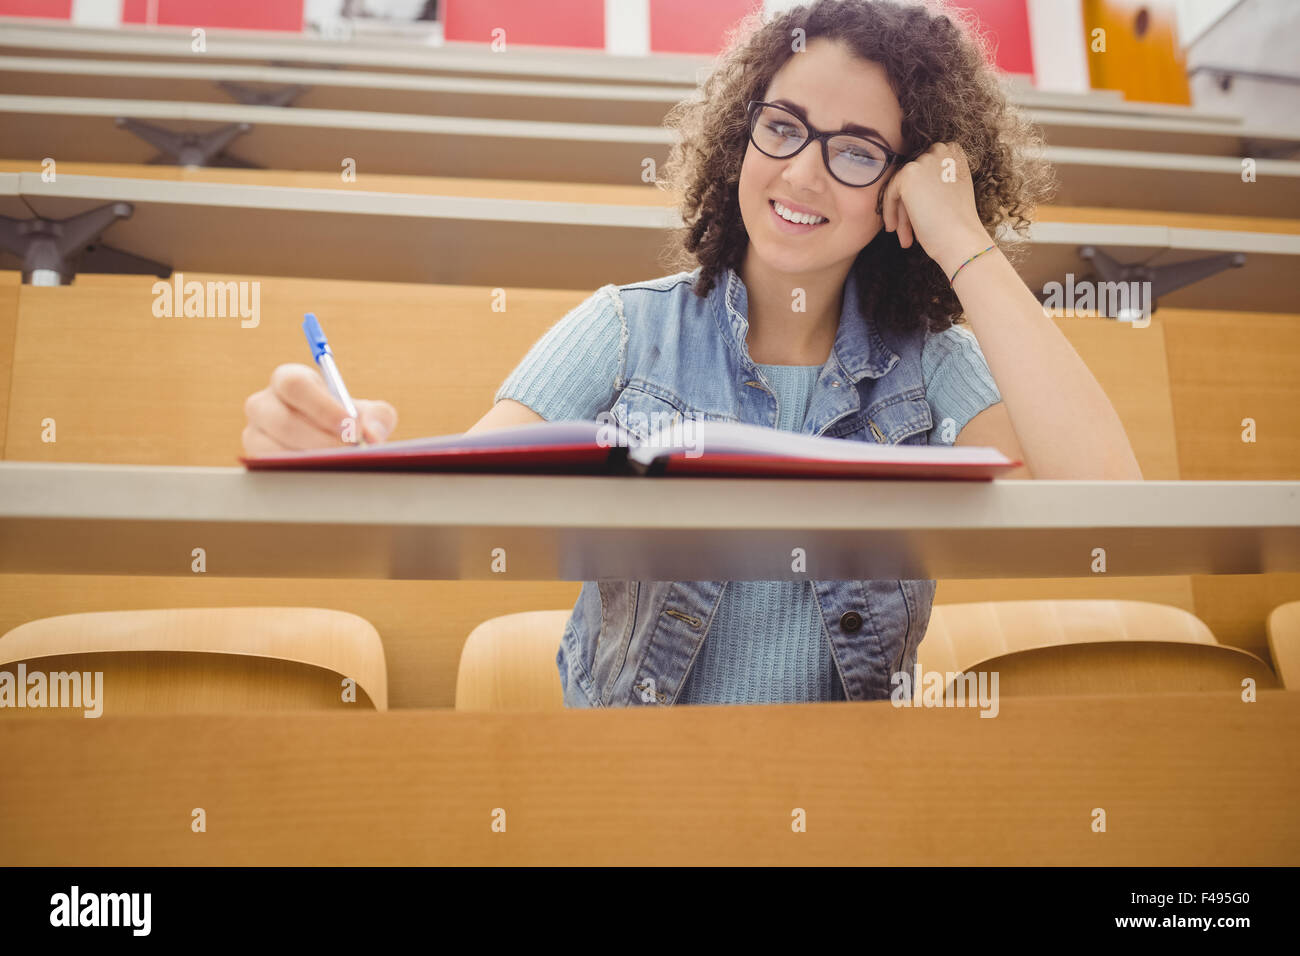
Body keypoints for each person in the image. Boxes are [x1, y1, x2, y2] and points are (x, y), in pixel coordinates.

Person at [242, 0, 1142, 708]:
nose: (800, 174)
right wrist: (346, 453)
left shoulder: (930, 366)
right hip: (633, 800)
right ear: (740, 134)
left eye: (858, 153)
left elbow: (1116, 517)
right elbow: (449, 503)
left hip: (851, 807)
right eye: (782, 126)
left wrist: (962, 238)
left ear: (901, 190)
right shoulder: (627, 331)